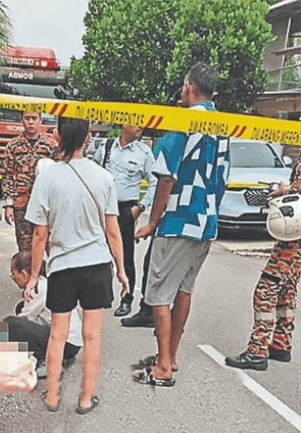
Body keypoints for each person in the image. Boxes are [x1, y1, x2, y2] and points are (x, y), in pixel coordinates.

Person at [132, 62, 230, 386]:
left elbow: (166, 177)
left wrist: (152, 221)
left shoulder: (184, 121)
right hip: (207, 222)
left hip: (178, 220)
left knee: (159, 294)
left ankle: (162, 367)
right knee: (184, 291)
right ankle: (170, 357)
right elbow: (223, 177)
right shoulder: (225, 125)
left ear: (188, 86)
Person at [24, 116, 128, 414]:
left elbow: (40, 234)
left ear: (56, 136)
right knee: (92, 335)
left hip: (62, 267)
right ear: (88, 137)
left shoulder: (47, 177)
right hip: (96, 266)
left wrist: (33, 276)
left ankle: (53, 395)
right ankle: (85, 399)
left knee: (58, 333)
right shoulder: (104, 177)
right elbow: (112, 232)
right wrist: (121, 271)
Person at [225, 154, 301, 370]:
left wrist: (284, 191)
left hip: (295, 237)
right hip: (294, 233)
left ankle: (257, 351)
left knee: (266, 289)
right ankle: (280, 343)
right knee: (286, 289)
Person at [95, 125, 157, 317]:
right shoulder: (106, 147)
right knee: (97, 253)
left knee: (126, 256)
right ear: (124, 125)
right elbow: (93, 173)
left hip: (125, 209)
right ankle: (99, 295)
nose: (140, 128)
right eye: (136, 123)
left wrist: (140, 208)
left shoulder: (144, 153)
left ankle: (127, 298)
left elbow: (154, 181)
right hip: (102, 207)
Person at [5, 250, 81, 379]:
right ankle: (52, 355)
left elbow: (24, 319)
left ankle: (49, 361)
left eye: (13, 274)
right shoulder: (44, 281)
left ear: (24, 274)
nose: (13, 278)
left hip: (66, 343)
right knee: (21, 307)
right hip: (71, 340)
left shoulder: (39, 288)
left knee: (10, 324)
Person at [2, 110, 58, 253]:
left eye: (34, 118)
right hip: (22, 205)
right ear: (21, 120)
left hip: (46, 205)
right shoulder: (13, 146)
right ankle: (28, 275)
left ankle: (50, 275)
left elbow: (59, 175)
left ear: (40, 120)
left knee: (51, 246)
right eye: (27, 118)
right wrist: (9, 205)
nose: (31, 122)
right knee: (25, 249)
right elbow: (8, 175)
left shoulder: (51, 145)